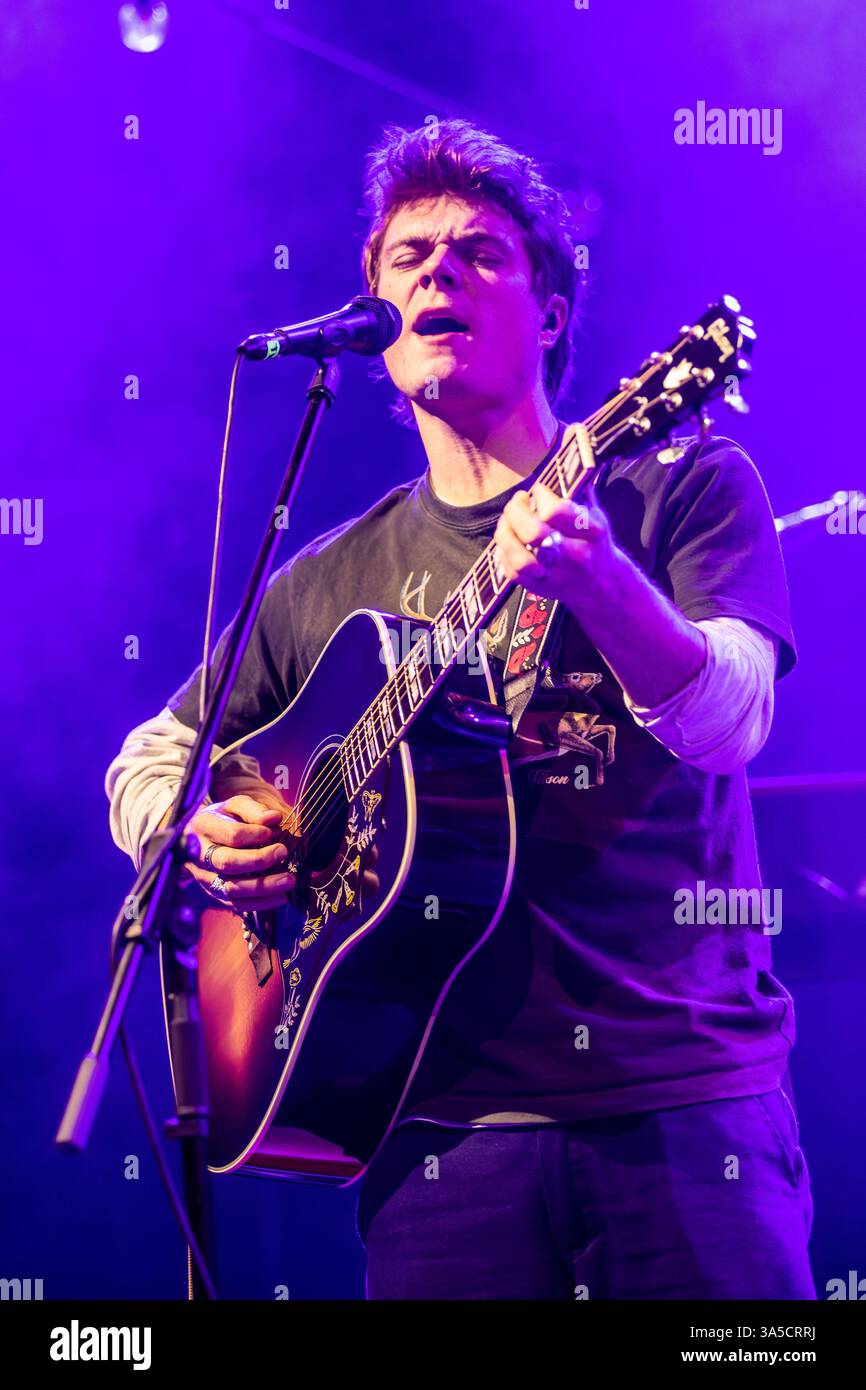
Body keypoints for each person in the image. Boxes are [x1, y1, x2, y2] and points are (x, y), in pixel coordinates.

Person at [106, 118, 815, 1300]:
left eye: (480, 251)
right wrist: (191, 829)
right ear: (379, 323)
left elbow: (729, 721)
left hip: (679, 1108)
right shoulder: (327, 573)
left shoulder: (675, 481)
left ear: (547, 312)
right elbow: (153, 749)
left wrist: (599, 582)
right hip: (431, 1136)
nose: (438, 270)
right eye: (407, 256)